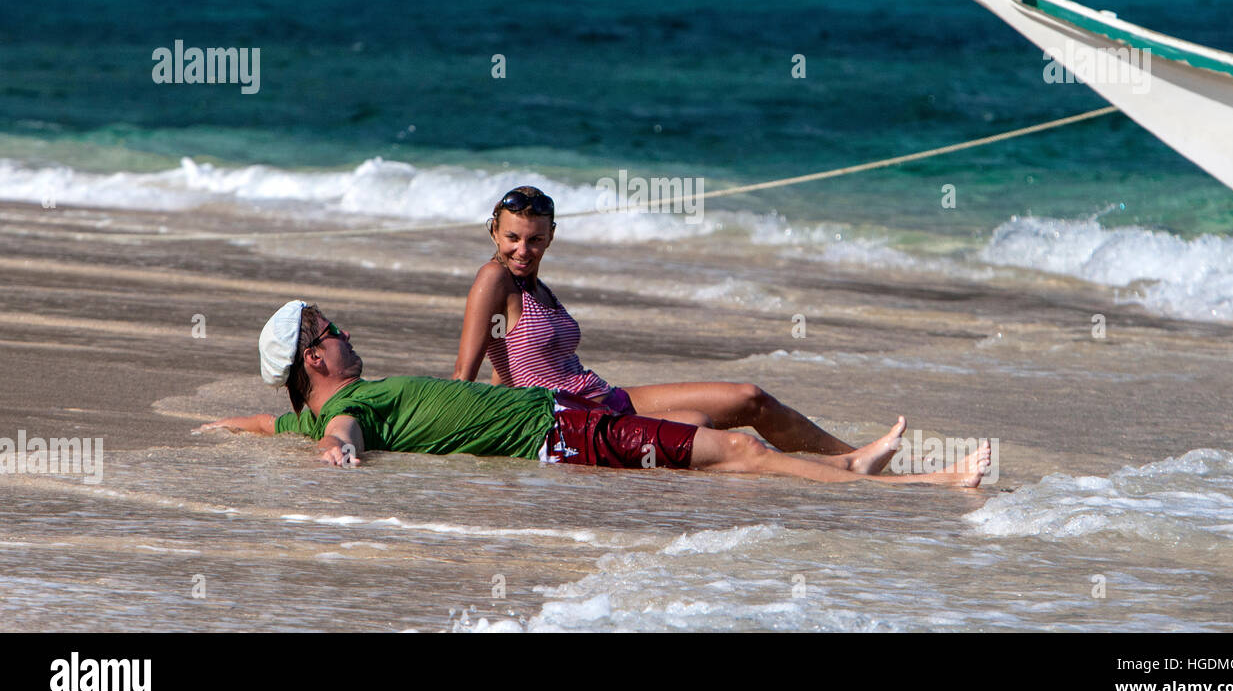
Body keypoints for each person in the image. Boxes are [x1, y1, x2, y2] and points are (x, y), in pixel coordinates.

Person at [200, 300, 991, 486]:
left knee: (741, 416)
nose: (347, 332)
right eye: (332, 329)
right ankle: (921, 484)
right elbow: (340, 440)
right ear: (314, 355)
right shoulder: (342, 409)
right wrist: (341, 457)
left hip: (569, 417)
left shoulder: (308, 411)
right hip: (563, 437)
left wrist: (219, 426)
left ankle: (850, 463)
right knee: (742, 453)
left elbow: (272, 423)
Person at [454, 187, 885, 455]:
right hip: (575, 418)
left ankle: (850, 455)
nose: (523, 250)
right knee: (699, 424)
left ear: (552, 236)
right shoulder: (493, 278)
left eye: (535, 239)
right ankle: (841, 471)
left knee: (750, 397)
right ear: (494, 232)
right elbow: (464, 376)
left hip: (607, 396)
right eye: (512, 238)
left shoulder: (537, 287)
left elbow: (505, 368)